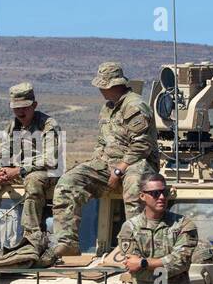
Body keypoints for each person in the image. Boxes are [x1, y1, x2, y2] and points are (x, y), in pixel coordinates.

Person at [49, 62, 157, 260]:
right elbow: (102, 140)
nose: (100, 89)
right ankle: (67, 241)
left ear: (114, 85)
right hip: (108, 162)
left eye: (103, 85)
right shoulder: (107, 108)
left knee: (135, 187)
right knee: (69, 181)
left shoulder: (134, 105)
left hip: (136, 162)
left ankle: (138, 245)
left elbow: (142, 145)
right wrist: (95, 164)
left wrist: (119, 170)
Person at [0, 82, 61, 247]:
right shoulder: (13, 127)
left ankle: (31, 236)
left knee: (33, 181)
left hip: (44, 174)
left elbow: (50, 159)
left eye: (24, 107)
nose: (20, 112)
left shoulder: (47, 125)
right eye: (16, 108)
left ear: (34, 105)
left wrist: (18, 170)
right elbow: (1, 155)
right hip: (16, 174)